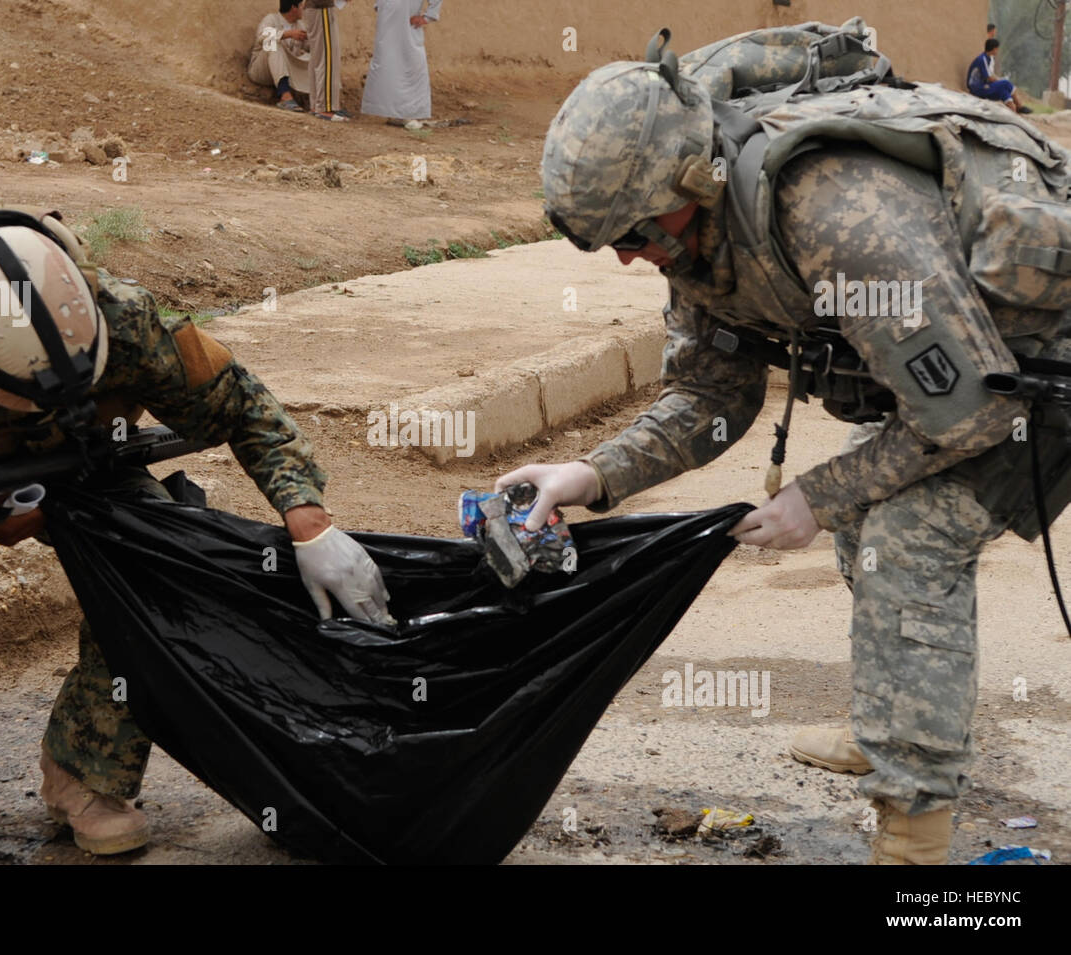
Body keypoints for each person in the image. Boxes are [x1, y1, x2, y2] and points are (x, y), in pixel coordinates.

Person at [497, 27, 1071, 864]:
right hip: (968, 377)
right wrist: (590, 474)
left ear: (687, 180)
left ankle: (915, 836)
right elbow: (708, 398)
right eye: (612, 240)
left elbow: (965, 415)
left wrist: (815, 497)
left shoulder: (839, 215)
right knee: (863, 518)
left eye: (634, 231)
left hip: (1036, 371)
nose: (628, 255)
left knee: (908, 541)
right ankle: (893, 717)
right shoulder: (693, 238)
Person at [0, 200, 392, 858]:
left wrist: (309, 521)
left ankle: (87, 774)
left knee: (160, 571)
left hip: (82, 468)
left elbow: (242, 409)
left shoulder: (120, 315)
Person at [360, 0, 443, 127]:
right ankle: (393, 113)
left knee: (411, 64)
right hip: (387, 21)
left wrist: (428, 17)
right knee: (387, 64)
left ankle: (409, 113)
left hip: (407, 24)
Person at [249, 0, 312, 112]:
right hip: (261, 72)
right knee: (272, 44)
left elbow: (310, 47)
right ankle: (285, 97)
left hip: (289, 73)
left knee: (314, 57)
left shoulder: (300, 25)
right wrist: (288, 34)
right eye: (302, 6)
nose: (304, 9)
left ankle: (317, 100)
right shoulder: (271, 19)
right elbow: (262, 36)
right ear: (294, 7)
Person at [305, 0, 352, 121]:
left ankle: (317, 105)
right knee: (327, 59)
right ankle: (325, 108)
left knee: (319, 59)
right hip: (321, 7)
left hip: (317, 8)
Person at [968, 37, 1032, 113]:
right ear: (994, 49)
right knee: (1005, 83)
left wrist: (999, 81)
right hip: (977, 88)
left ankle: (1014, 111)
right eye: (997, 48)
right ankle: (1019, 106)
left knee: (1003, 91)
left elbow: (990, 75)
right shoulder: (982, 59)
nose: (997, 50)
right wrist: (1000, 80)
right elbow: (989, 78)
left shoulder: (988, 58)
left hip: (984, 85)